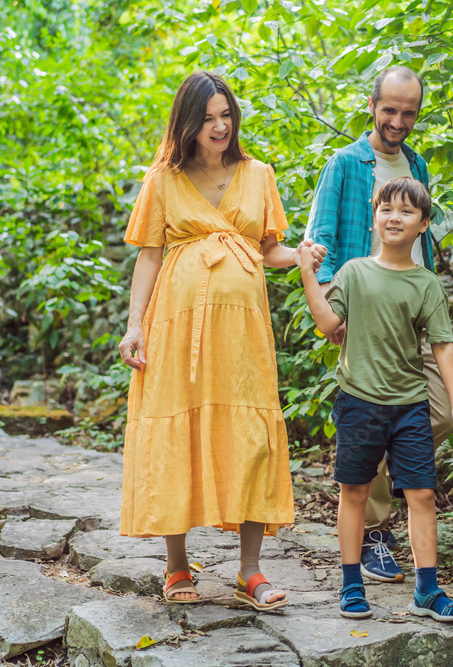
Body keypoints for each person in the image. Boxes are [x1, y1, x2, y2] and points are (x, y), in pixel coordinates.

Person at [117, 71, 325, 607]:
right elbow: (149, 255)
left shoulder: (258, 174)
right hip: (176, 326)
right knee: (175, 433)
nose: (219, 126)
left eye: (225, 115)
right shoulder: (163, 179)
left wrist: (301, 257)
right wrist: (134, 324)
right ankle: (176, 566)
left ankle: (250, 571)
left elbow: (266, 249)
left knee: (250, 437)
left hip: (242, 333)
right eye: (207, 117)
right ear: (187, 122)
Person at [304, 65, 453, 583]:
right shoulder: (345, 165)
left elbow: (424, 243)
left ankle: (377, 509)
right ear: (372, 106)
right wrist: (329, 309)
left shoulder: (416, 164)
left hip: (408, 313)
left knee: (435, 410)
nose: (398, 121)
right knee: (371, 416)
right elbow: (319, 243)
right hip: (358, 313)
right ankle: (371, 531)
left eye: (408, 113)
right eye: (389, 110)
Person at [300, 177, 453, 622]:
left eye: (407, 211)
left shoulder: (426, 283)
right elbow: (325, 321)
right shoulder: (354, 272)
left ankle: (428, 591)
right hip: (359, 402)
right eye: (386, 209)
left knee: (422, 495)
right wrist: (306, 269)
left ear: (423, 224)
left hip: (410, 405)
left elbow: (442, 347)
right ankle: (352, 585)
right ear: (374, 218)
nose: (394, 217)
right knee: (354, 491)